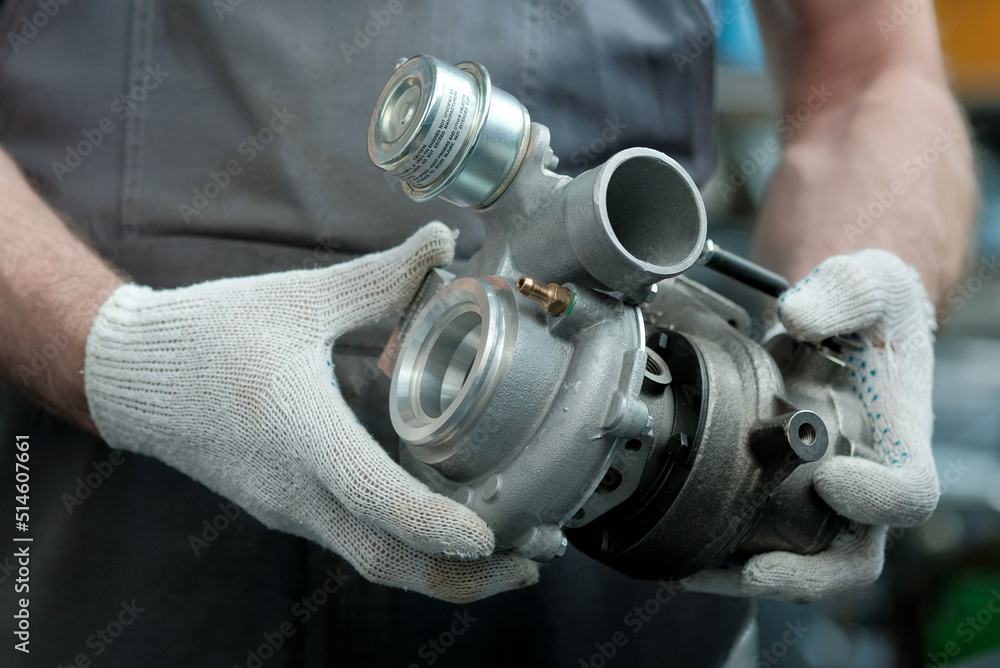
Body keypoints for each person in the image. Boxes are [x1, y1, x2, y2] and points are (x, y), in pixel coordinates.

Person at [0, 0, 975, 666]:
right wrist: (116, 352)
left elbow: (870, 73)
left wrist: (860, 331)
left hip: (615, 585)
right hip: (101, 538)